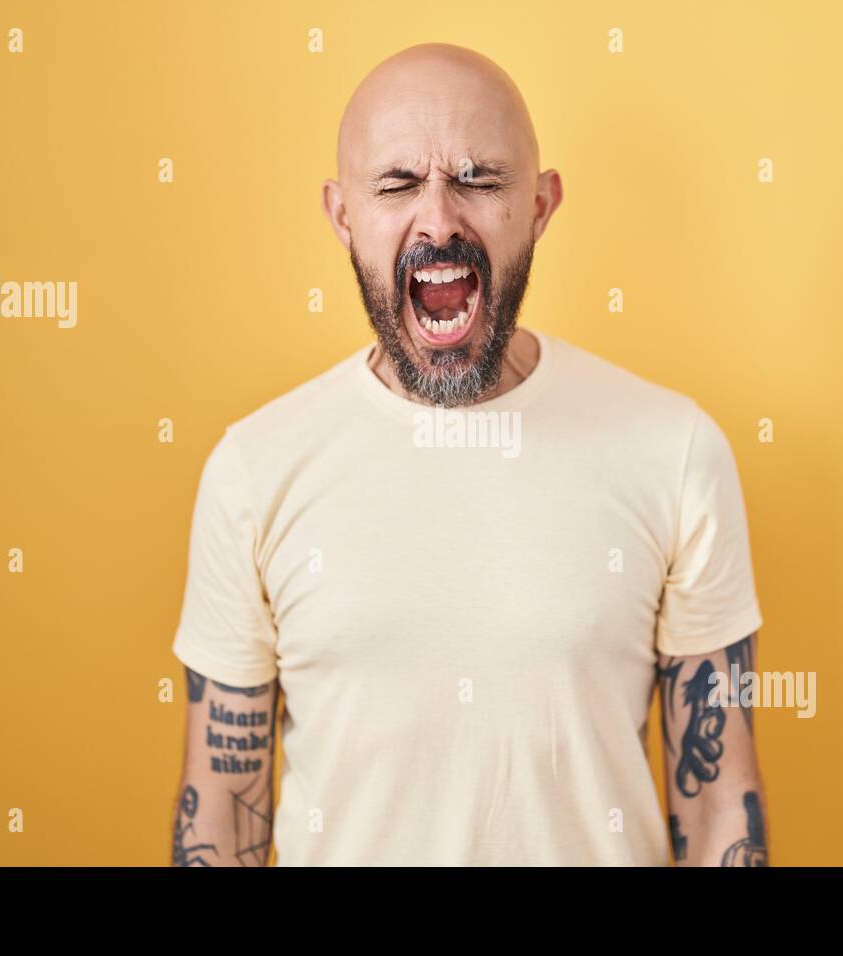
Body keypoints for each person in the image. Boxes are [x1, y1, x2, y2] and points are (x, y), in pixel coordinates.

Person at [169, 42, 767, 866]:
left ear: (541, 206)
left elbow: (718, 819)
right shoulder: (253, 471)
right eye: (396, 185)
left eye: (480, 179)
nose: (440, 219)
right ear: (342, 214)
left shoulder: (675, 451)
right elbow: (224, 824)